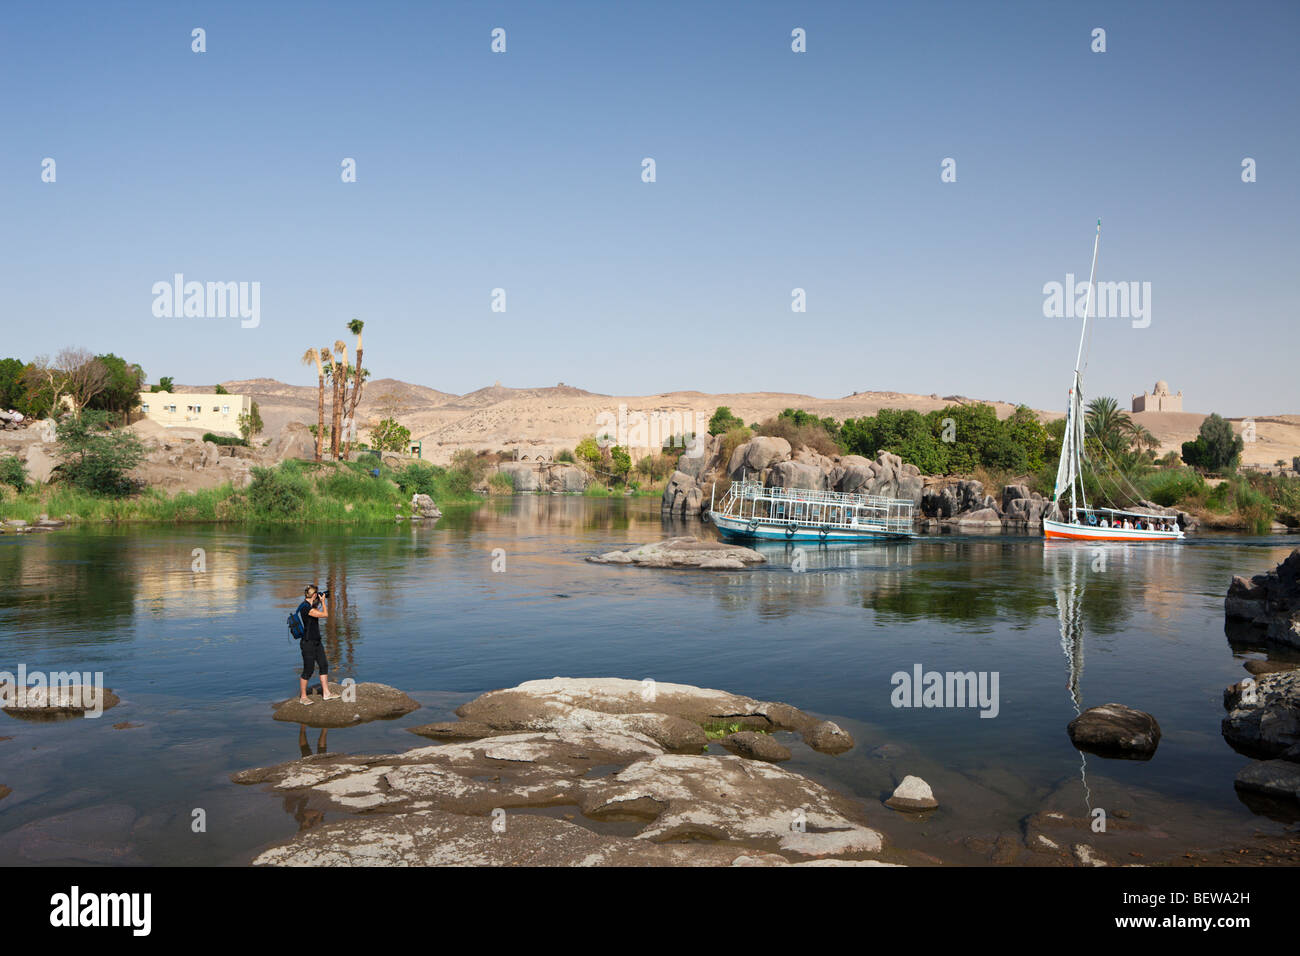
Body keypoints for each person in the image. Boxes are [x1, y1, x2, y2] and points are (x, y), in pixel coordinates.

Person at [296, 585, 339, 704]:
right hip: (308, 643)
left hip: (317, 642)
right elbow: (325, 614)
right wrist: (324, 602)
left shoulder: (309, 605)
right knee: (308, 670)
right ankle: (303, 697)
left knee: (324, 665)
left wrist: (319, 600)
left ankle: (326, 693)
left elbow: (315, 611)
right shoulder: (306, 608)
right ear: (314, 595)